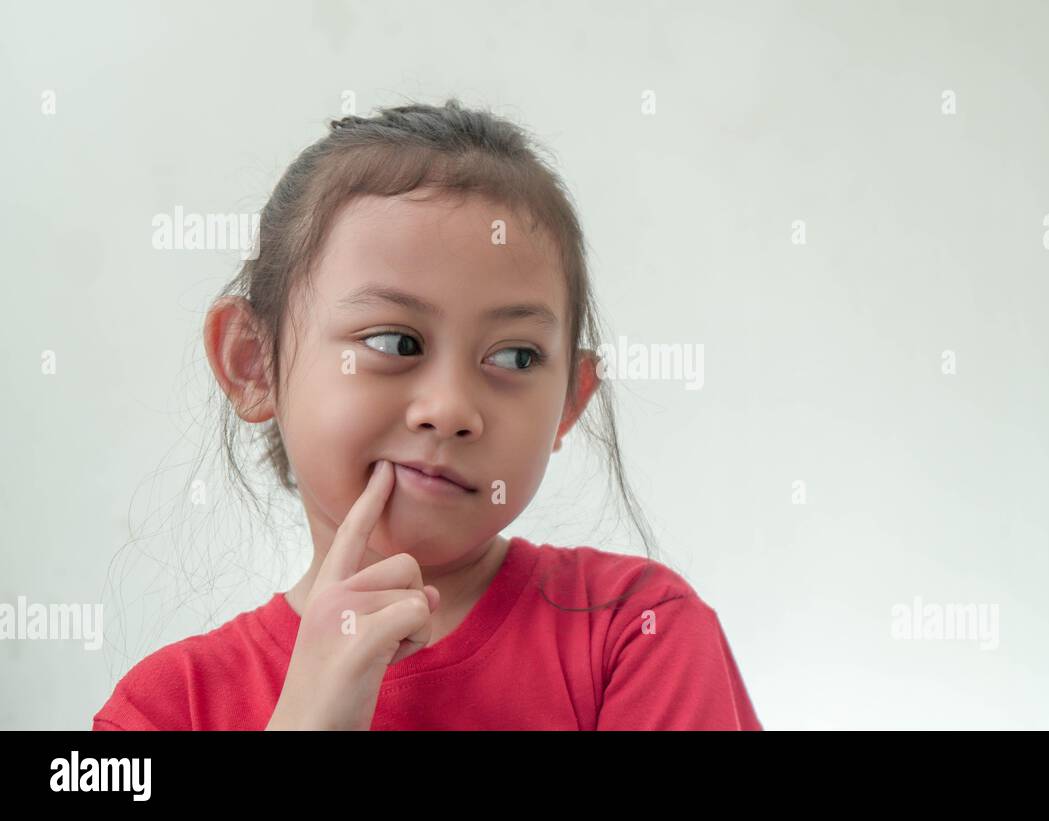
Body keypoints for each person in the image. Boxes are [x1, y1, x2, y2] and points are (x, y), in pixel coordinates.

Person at [91, 100, 761, 731]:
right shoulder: (164, 709)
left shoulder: (638, 631)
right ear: (252, 363)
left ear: (568, 403)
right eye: (394, 342)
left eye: (516, 356)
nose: (450, 410)